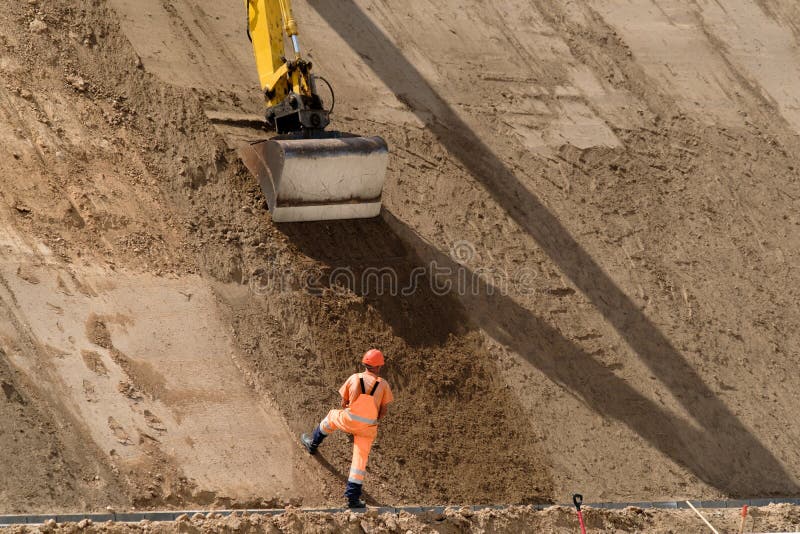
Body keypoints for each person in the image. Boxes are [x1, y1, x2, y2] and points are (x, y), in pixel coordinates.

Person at [301, 348, 394, 508]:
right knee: (360, 460)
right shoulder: (383, 384)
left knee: (331, 417)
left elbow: (343, 403)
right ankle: (352, 498)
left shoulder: (354, 378)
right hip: (367, 428)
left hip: (349, 420)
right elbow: (383, 411)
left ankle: (313, 444)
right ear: (379, 367)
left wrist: (350, 410)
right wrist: (371, 418)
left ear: (365, 364)